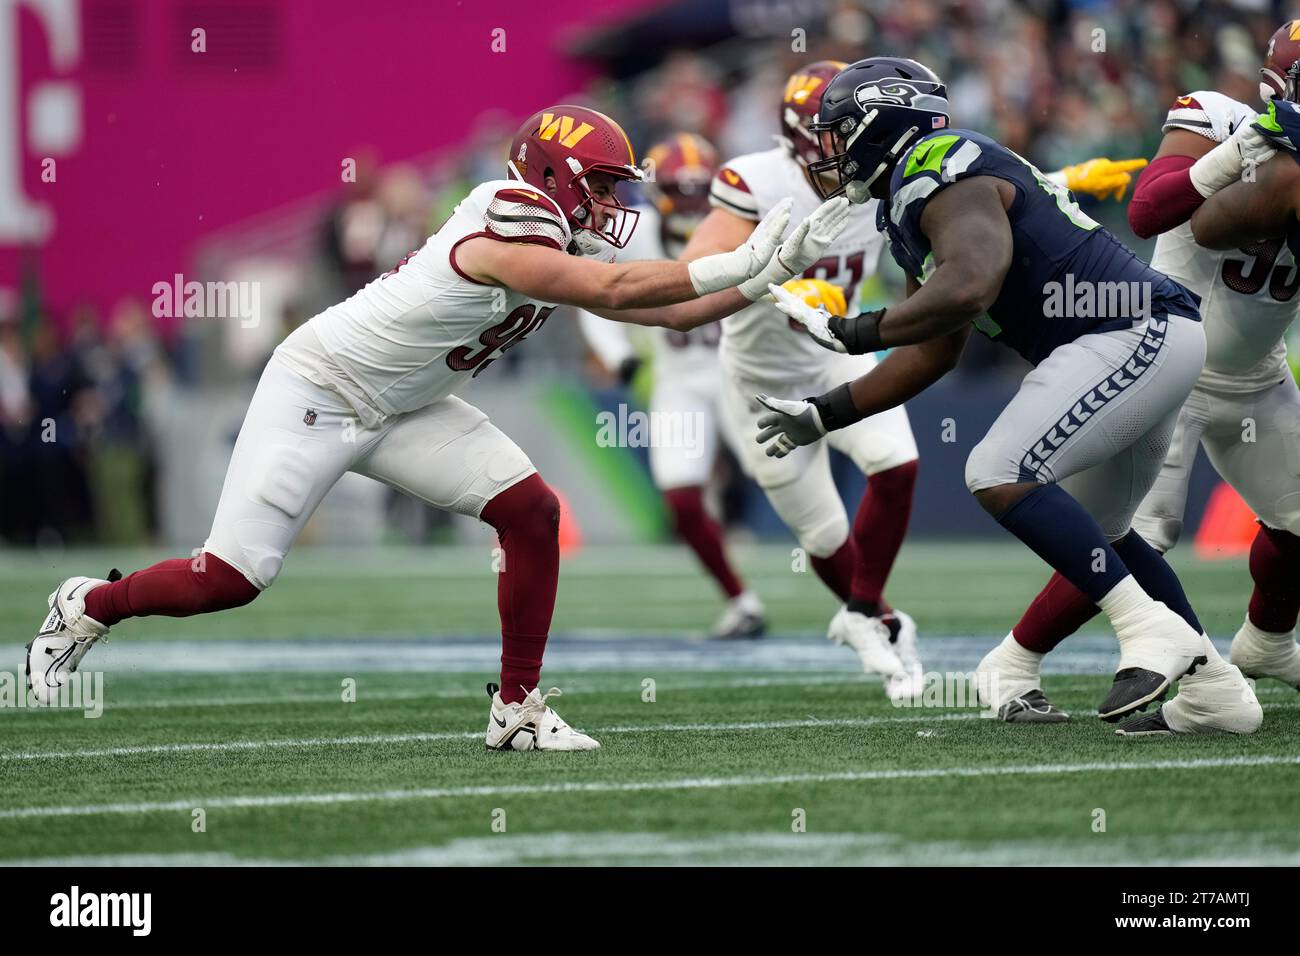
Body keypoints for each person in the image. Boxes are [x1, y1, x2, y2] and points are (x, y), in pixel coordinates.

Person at [27, 105, 851, 751]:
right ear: (553, 177)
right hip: (322, 389)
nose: (612, 202)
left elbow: (669, 312)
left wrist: (766, 272)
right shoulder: (508, 214)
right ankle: (89, 604)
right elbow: (614, 293)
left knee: (531, 512)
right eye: (599, 184)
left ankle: (518, 709)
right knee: (231, 579)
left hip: (407, 404)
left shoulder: (552, 229)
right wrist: (737, 259)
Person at [754, 57, 1261, 735]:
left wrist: (855, 330)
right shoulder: (918, 192)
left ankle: (1150, 633)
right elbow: (936, 346)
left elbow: (969, 285)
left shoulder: (938, 166)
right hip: (1139, 336)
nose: (833, 152)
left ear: (882, 124)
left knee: (997, 471)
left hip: (1130, 329)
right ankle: (1215, 692)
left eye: (842, 132)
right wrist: (824, 413)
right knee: (1107, 535)